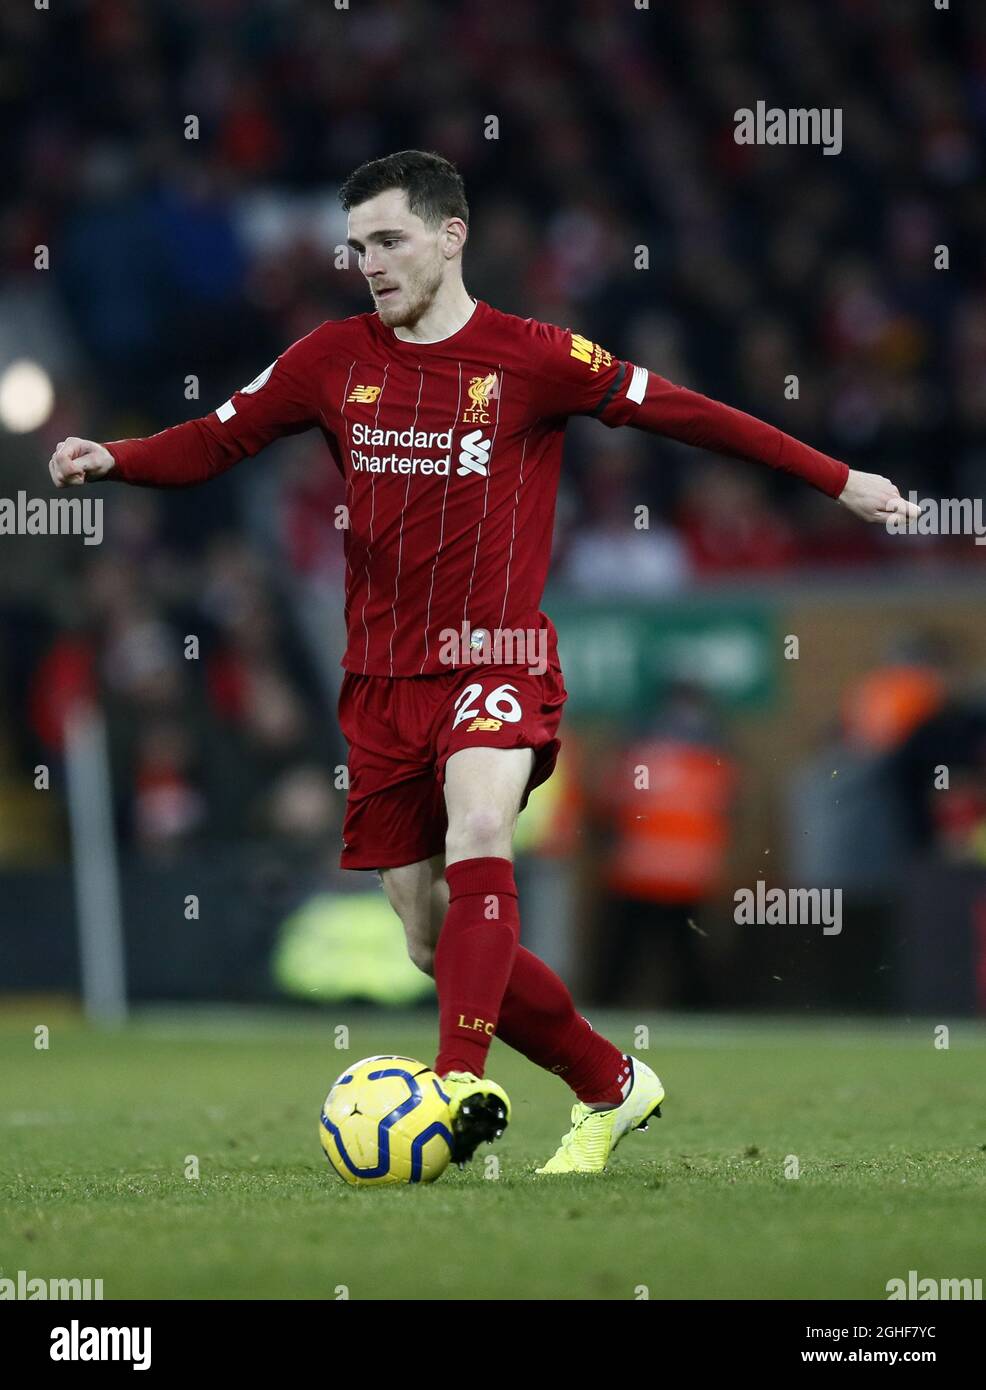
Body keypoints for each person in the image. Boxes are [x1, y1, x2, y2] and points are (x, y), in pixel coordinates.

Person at [48, 149, 918, 1174]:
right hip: (377, 684)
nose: (368, 261)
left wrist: (835, 477)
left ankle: (454, 1078)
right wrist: (118, 458)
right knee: (429, 940)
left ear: (449, 234)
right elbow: (217, 439)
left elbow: (687, 411)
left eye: (389, 240)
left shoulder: (534, 356)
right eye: (357, 245)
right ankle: (610, 1083)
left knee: (478, 822)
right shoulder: (331, 359)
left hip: (493, 659)